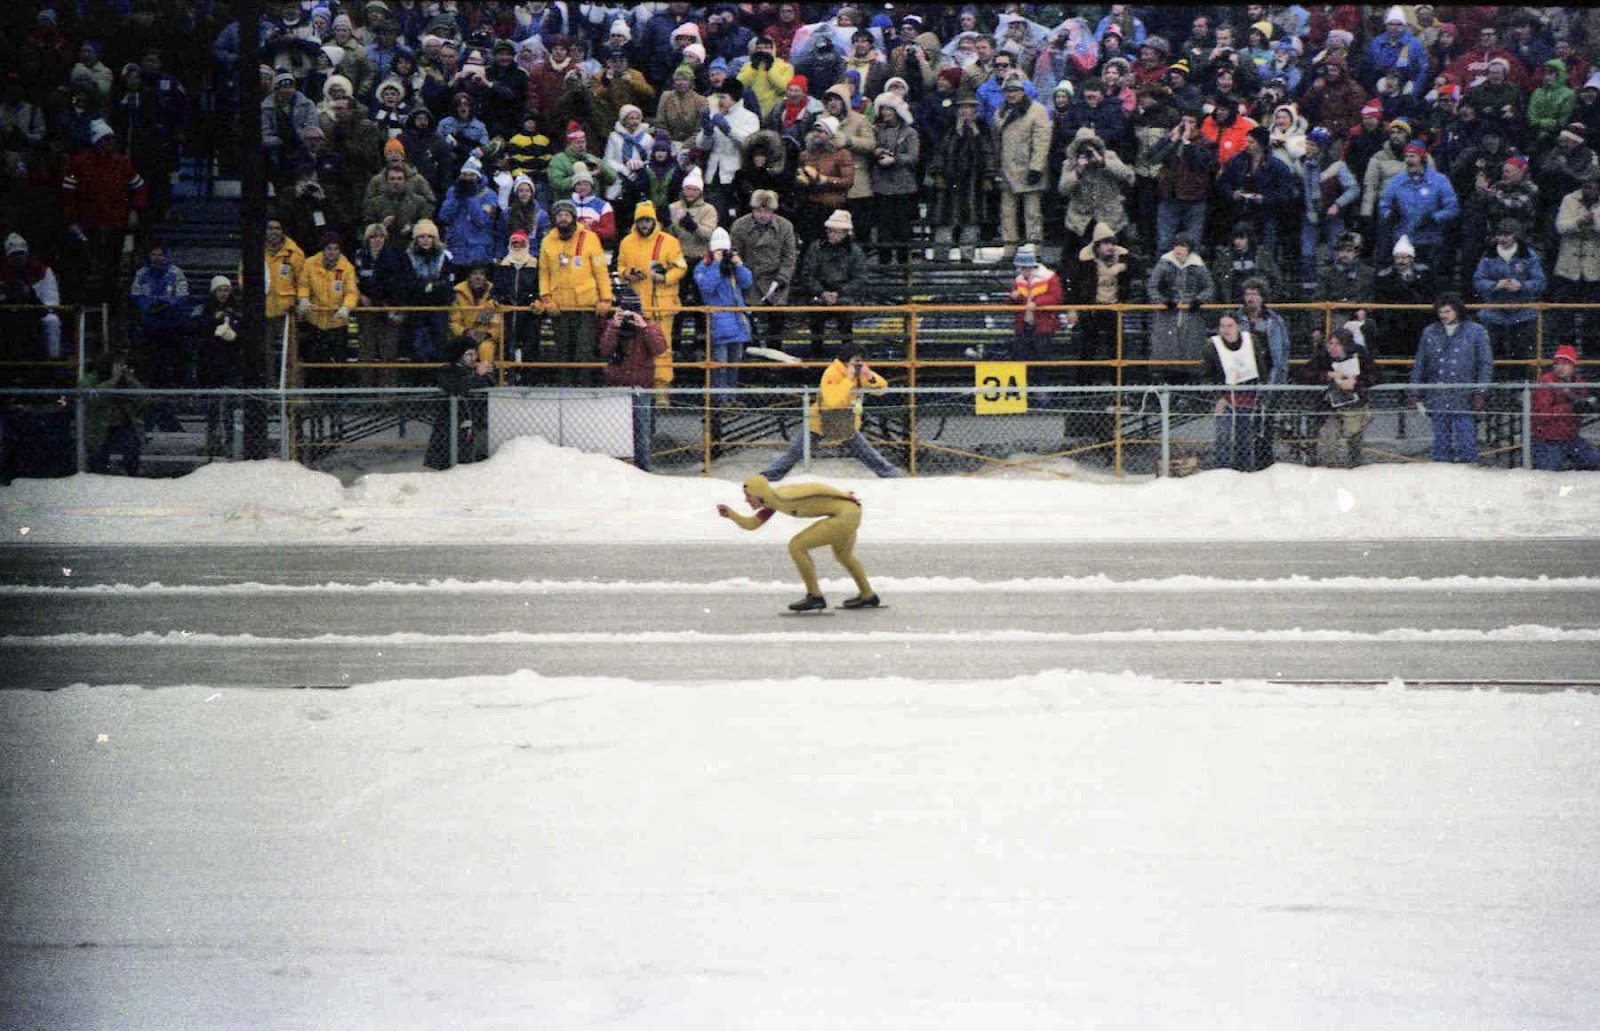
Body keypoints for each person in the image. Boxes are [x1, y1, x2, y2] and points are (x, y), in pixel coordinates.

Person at [717, 473, 882, 612]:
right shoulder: (772, 502)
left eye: (748, 496)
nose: (746, 501)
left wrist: (843, 495)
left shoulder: (785, 496)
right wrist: (731, 515)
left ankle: (815, 596)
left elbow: (816, 488)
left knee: (796, 546)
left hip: (846, 515)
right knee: (844, 556)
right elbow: (753, 524)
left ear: (759, 494)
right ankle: (868, 595)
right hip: (848, 515)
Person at [761, 343, 899, 482]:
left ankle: (891, 476)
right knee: (794, 453)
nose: (860, 364)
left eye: (862, 360)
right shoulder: (831, 373)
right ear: (846, 359)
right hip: (820, 421)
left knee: (866, 452)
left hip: (845, 421)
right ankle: (766, 478)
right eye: (857, 360)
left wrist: (870, 377)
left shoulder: (859, 372)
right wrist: (848, 380)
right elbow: (833, 401)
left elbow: (881, 388)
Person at [1408, 294, 1493, 464]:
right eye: (1441, 312)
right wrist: (1414, 390)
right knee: (1441, 440)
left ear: (1457, 311)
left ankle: (1470, 472)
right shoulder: (1430, 331)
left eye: (1447, 311)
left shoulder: (1476, 331)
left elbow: (1485, 364)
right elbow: (1421, 362)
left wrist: (1481, 392)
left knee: (1467, 439)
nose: (1443, 315)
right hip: (1438, 394)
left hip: (1465, 395)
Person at [614, 201, 686, 399]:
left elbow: (681, 267)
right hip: (637, 306)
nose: (644, 224)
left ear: (654, 220)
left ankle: (662, 393)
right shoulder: (626, 242)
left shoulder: (669, 241)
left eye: (647, 220)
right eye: (641, 220)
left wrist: (664, 278)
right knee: (636, 351)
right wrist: (628, 273)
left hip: (662, 305)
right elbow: (620, 266)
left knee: (662, 349)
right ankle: (639, 393)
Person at [538, 199, 612, 386]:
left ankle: (583, 388)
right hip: (559, 306)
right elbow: (544, 273)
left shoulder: (589, 237)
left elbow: (600, 270)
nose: (563, 218)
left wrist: (605, 299)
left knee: (583, 350)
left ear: (573, 217)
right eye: (559, 215)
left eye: (566, 215)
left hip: (586, 306)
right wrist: (546, 299)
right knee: (563, 350)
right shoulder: (547, 241)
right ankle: (565, 388)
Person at [598, 291, 668, 472]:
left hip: (640, 385)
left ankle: (643, 468)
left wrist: (644, 327)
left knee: (641, 430)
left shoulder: (650, 326)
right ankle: (617, 467)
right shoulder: (612, 325)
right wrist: (614, 327)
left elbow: (659, 348)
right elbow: (605, 349)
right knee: (615, 429)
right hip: (617, 385)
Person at [1293, 326, 1380, 467]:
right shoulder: (1323, 356)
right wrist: (1327, 375)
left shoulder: (1360, 354)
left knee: (1355, 443)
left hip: (1354, 407)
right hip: (1331, 408)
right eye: (1331, 343)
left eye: (1338, 344)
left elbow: (1377, 375)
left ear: (1347, 345)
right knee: (1329, 442)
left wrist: (1356, 382)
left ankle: (1356, 469)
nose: (1333, 347)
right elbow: (1301, 374)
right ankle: (1329, 470)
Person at [1472, 220, 1547, 378]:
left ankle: (1518, 387)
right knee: (1491, 351)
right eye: (1499, 235)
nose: (1503, 238)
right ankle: (1492, 386)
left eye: (1507, 235)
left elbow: (1540, 282)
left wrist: (1521, 286)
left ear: (1515, 236)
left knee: (1520, 352)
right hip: (1493, 312)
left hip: (1523, 313)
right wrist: (1494, 285)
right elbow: (1478, 280)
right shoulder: (1488, 255)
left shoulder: (1528, 255)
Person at [1201, 311, 1275, 472]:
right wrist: (1218, 397)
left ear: (1238, 327)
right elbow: (1207, 375)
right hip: (1225, 396)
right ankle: (1222, 471)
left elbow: (1261, 368)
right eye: (1222, 326)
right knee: (1223, 436)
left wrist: (1263, 391)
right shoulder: (1211, 346)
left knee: (1245, 437)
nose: (1226, 330)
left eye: (1230, 326)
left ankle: (1245, 471)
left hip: (1249, 395)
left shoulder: (1251, 341)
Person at [729, 189, 798, 354]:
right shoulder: (740, 226)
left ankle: (775, 357)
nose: (762, 215)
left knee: (776, 324)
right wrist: (742, 276)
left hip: (776, 281)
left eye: (767, 211)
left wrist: (782, 278)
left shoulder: (785, 226)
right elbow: (734, 253)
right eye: (759, 210)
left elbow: (789, 257)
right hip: (750, 279)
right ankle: (750, 357)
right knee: (748, 325)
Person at [693, 226, 753, 405]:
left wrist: (739, 265)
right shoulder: (703, 266)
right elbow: (706, 287)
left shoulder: (732, 266)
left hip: (737, 321)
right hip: (720, 323)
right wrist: (717, 264)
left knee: (734, 364)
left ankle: (731, 397)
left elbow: (747, 282)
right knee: (720, 364)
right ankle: (719, 399)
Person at [799, 209, 868, 360]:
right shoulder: (816, 248)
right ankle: (816, 355)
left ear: (845, 233)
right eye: (830, 231)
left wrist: (839, 292)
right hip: (820, 294)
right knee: (816, 315)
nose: (832, 235)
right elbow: (807, 274)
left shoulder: (855, 252)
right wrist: (822, 292)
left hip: (844, 296)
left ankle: (847, 356)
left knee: (845, 316)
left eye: (836, 232)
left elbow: (860, 278)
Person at [296, 232, 360, 385]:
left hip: (337, 321)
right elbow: (303, 284)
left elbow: (351, 292)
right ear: (323, 249)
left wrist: (345, 308)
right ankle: (313, 393)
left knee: (337, 361)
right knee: (313, 360)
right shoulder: (310, 263)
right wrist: (303, 299)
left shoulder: (347, 267)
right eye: (329, 248)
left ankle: (336, 395)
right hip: (314, 320)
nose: (333, 252)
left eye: (336, 249)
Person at [424, 339, 495, 470]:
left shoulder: (474, 371)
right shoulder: (447, 371)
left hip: (476, 420)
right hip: (452, 421)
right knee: (451, 458)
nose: (474, 358)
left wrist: (485, 374)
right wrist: (477, 374)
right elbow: (457, 387)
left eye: (475, 354)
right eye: (469, 355)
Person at [1529, 345, 1600, 471]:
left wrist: (1589, 406)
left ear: (1573, 366)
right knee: (1546, 473)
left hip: (1570, 438)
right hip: (1546, 440)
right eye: (1557, 363)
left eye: (1565, 363)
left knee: (1595, 461)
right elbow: (1542, 414)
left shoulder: (1578, 383)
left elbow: (1580, 409)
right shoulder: (1545, 383)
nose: (1560, 367)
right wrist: (1572, 408)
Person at [81, 352, 145, 476]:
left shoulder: (125, 380)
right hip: (99, 427)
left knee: (132, 448)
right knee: (98, 460)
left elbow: (144, 399)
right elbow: (92, 398)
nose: (121, 368)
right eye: (118, 365)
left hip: (123, 424)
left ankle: (131, 477)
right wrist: (113, 380)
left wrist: (131, 380)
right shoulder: (90, 380)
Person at [1006, 245, 1062, 362]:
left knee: (1042, 357)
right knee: (1022, 356)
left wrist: (1037, 303)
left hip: (1043, 324)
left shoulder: (1049, 277)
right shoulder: (1019, 279)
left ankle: (1040, 380)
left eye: (1022, 268)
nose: (1020, 271)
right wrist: (1012, 297)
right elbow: (1011, 303)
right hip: (1024, 324)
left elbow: (1056, 297)